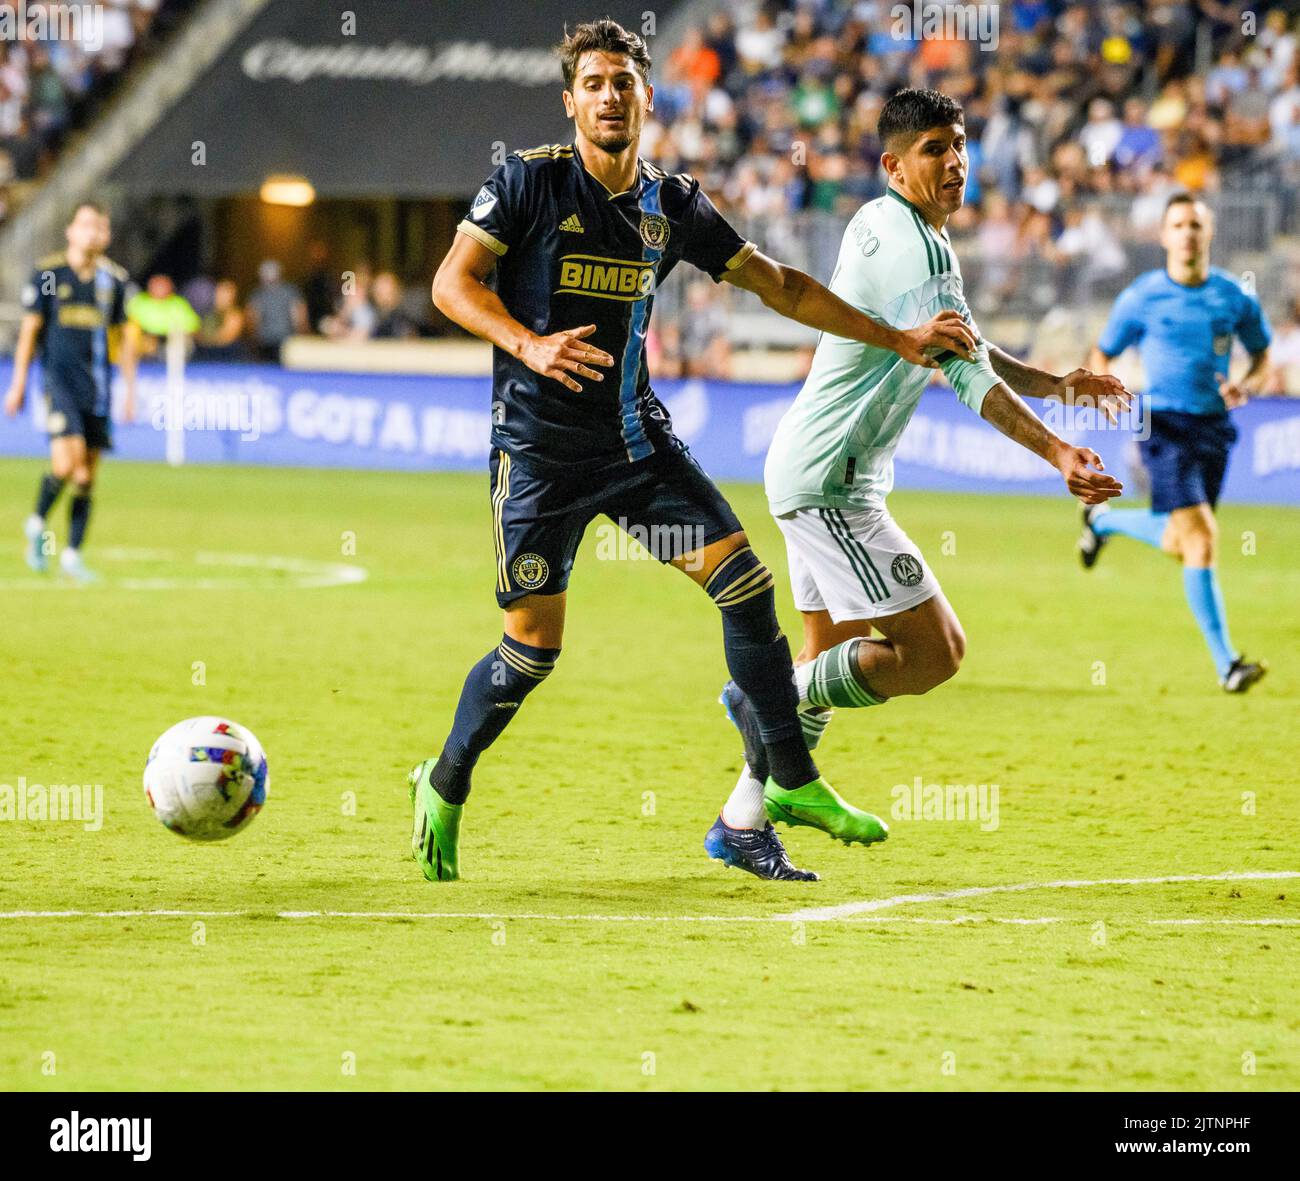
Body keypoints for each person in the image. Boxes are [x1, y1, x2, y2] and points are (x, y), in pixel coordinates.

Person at [411, 20, 978, 884]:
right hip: (537, 460)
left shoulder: (672, 206)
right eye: (594, 84)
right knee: (530, 651)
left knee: (745, 588)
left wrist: (894, 336)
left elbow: (779, 283)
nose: (610, 97)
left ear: (647, 99)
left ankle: (793, 781)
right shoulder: (526, 183)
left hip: (638, 453)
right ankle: (444, 780)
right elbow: (454, 283)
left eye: (624, 83)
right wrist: (530, 346)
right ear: (572, 103)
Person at [714, 89, 1128, 828]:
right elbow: (965, 374)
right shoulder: (915, 245)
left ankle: (744, 821)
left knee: (830, 651)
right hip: (834, 484)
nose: (956, 161)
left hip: (809, 467)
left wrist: (1057, 383)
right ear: (894, 165)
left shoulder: (889, 225)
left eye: (960, 144)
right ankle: (767, 695)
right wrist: (1057, 450)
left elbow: (971, 347)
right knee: (935, 652)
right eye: (935, 149)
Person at [1079, 193, 1272, 692]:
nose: (1187, 232)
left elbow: (1262, 352)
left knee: (1179, 541)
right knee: (1202, 537)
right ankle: (1228, 664)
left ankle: (1103, 522)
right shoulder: (1143, 296)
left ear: (1208, 234)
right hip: (1160, 424)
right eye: (1178, 224)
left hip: (1213, 429)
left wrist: (1246, 383)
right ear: (1164, 235)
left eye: (1195, 224)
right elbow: (1104, 351)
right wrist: (1109, 388)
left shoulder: (1233, 297)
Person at [3, 201, 137, 580]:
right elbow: (30, 331)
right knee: (68, 463)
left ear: (107, 235)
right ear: (71, 232)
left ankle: (71, 555)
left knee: (85, 478)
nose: (94, 232)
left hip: (98, 388)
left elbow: (125, 336)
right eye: (87, 225)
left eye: (100, 227)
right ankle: (37, 528)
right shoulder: (49, 274)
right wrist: (17, 384)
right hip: (58, 384)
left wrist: (129, 391)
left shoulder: (115, 281)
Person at [245, 259, 306, 363]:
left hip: (282, 341)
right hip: (270, 342)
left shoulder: (289, 292)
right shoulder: (258, 294)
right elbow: (253, 318)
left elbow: (299, 316)